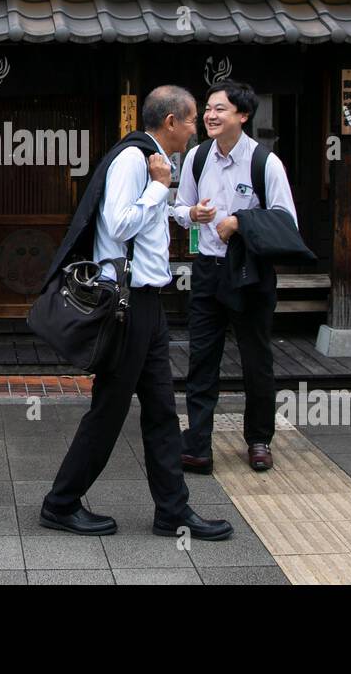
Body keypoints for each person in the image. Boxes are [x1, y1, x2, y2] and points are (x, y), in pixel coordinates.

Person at [40, 86, 234, 541]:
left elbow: (151, 213)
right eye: (190, 121)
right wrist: (161, 187)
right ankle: (61, 503)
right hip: (127, 304)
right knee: (109, 410)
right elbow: (119, 222)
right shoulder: (134, 160)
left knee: (162, 410)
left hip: (149, 304)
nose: (195, 129)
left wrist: (188, 212)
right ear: (170, 122)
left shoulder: (154, 162)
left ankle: (172, 511)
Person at [173, 80, 298, 473]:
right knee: (201, 359)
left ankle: (259, 440)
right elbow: (178, 207)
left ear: (242, 116)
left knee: (255, 359)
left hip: (250, 273)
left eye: (219, 109)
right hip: (208, 270)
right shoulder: (196, 158)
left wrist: (238, 222)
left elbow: (286, 220)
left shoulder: (265, 162)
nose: (209, 115)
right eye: (208, 108)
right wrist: (192, 216)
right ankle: (197, 446)